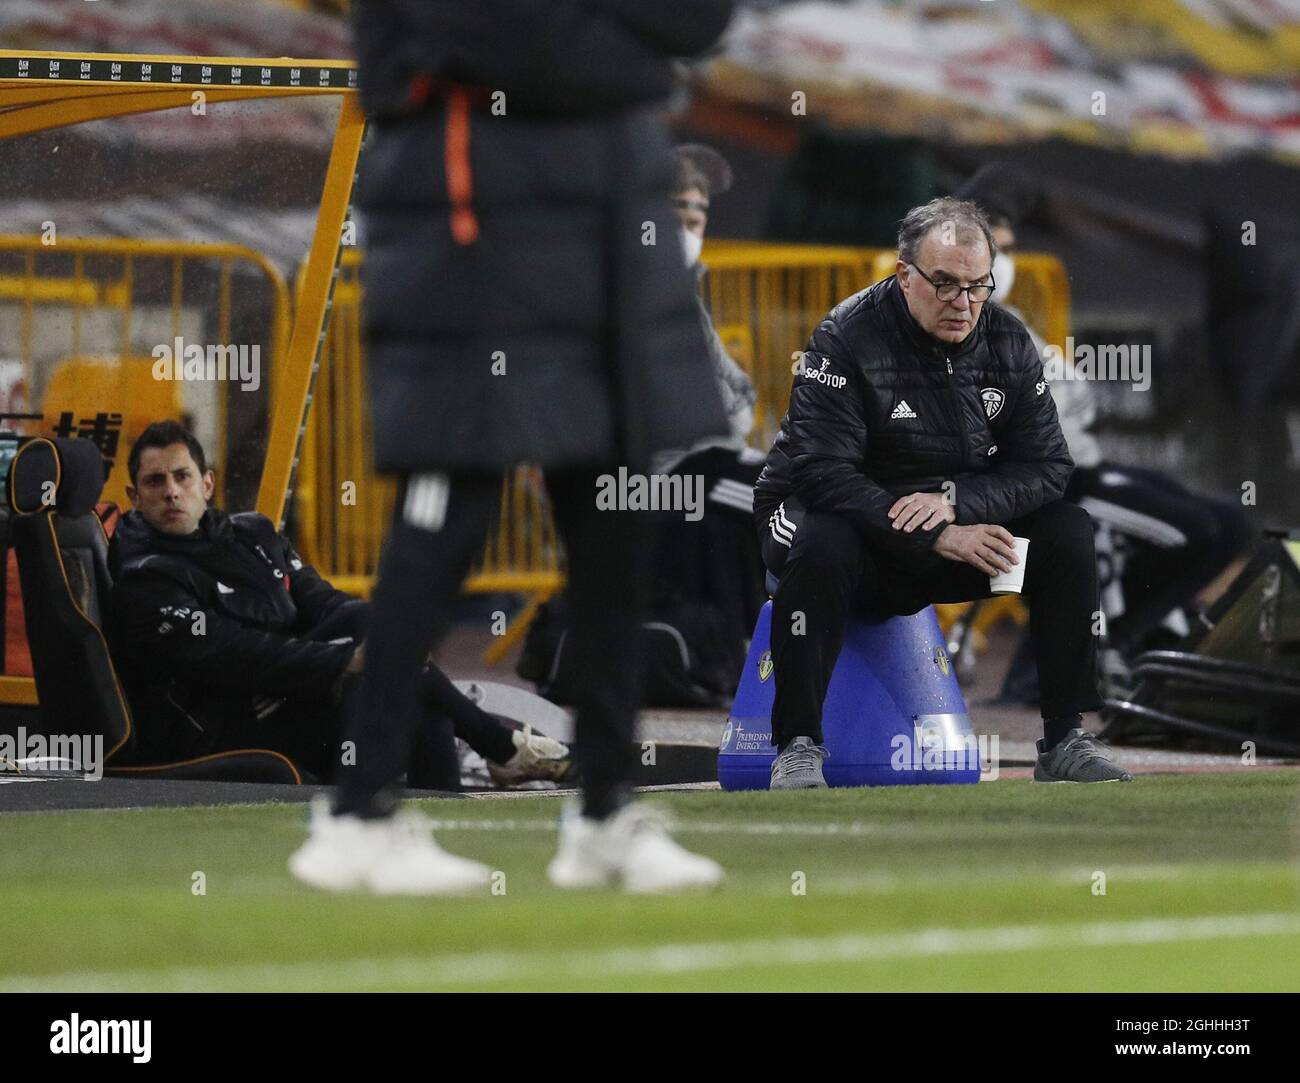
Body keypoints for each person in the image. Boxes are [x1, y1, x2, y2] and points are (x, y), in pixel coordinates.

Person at [288, 1, 735, 895]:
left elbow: (696, 20)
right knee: (448, 510)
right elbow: (519, 41)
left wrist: (627, 56)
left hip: (606, 213)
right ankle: (358, 813)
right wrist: (636, 66)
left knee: (615, 519)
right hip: (476, 213)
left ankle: (605, 810)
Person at [752, 196, 1133, 788]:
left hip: (947, 541)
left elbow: (1048, 466)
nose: (963, 303)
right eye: (946, 285)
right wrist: (937, 533)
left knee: (1065, 533)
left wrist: (957, 502)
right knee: (824, 540)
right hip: (846, 537)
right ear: (905, 276)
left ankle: (1064, 738)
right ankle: (798, 745)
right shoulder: (844, 336)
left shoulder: (1006, 340)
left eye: (978, 286)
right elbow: (820, 472)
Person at [109, 421, 569, 789]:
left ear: (206, 484)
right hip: (225, 721)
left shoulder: (251, 534)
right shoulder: (144, 575)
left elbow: (321, 599)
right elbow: (234, 654)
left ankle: (449, 804)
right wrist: (346, 659)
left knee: (374, 634)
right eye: (155, 481)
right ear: (134, 497)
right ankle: (499, 749)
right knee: (392, 675)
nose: (171, 491)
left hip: (287, 691)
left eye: (182, 476)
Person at [956, 164, 1253, 700]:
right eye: (996, 247)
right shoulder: (950, 324)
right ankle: (1109, 643)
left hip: (1079, 467)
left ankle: (1122, 639)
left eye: (1007, 247)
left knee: (1228, 522)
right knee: (1195, 531)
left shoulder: (1005, 320)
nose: (1007, 262)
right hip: (1045, 484)